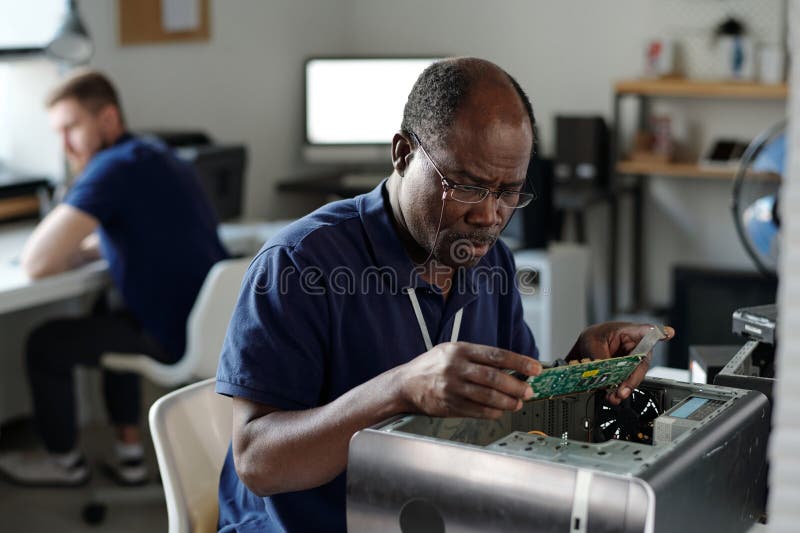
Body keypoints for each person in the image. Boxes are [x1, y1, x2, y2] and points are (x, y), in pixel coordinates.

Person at [215, 57, 673, 531]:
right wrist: (400, 389)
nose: (490, 216)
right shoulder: (299, 264)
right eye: (467, 187)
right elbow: (257, 463)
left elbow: (512, 409)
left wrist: (581, 370)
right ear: (403, 154)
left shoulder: (490, 261)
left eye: (509, 191)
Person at [0, 70, 229, 486]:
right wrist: (86, 247)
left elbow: (35, 264)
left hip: (170, 334)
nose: (65, 146)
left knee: (45, 343)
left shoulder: (112, 168)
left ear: (107, 119)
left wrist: (62, 240)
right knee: (110, 306)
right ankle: (129, 456)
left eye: (71, 128)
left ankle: (63, 463)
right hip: (209, 321)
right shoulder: (155, 153)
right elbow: (143, 232)